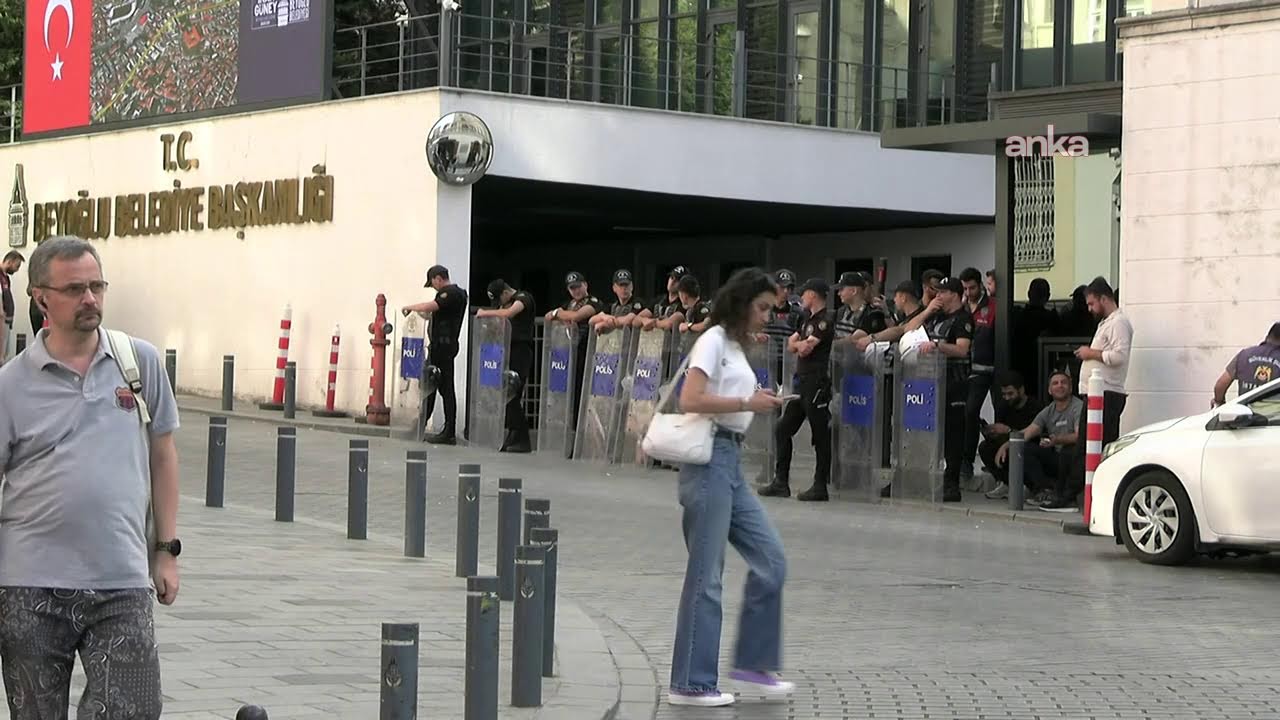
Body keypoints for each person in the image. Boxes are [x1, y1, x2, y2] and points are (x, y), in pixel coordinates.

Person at [0, 235, 181, 719]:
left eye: (97, 286)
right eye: (76, 289)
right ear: (41, 297)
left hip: (121, 579)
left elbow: (163, 456)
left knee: (135, 710)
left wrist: (165, 552)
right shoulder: (10, 385)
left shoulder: (139, 364)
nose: (90, 299)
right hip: (29, 587)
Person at [668, 266, 791, 708]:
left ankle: (754, 663)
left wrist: (759, 401)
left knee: (771, 560)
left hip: (730, 462)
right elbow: (690, 398)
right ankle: (691, 682)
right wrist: (746, 401)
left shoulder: (735, 346)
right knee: (707, 576)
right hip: (708, 461)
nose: (766, 317)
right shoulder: (713, 340)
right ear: (741, 304)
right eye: (762, 308)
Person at [1053, 276, 1132, 511]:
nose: (1089, 309)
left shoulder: (1118, 323)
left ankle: (1079, 495)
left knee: (1096, 445)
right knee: (1087, 446)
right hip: (1097, 394)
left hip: (1107, 394)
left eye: (1091, 304)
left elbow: (1119, 356)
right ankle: (1083, 496)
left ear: (1104, 298)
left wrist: (1091, 354)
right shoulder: (1107, 323)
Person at [760, 277, 836, 502]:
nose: (801, 297)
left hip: (816, 382)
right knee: (782, 429)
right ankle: (780, 481)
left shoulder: (824, 321)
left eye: (804, 293)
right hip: (801, 383)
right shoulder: (805, 319)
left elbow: (804, 348)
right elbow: (792, 344)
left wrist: (799, 345)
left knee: (820, 434)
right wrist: (798, 345)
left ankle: (820, 485)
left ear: (813, 295)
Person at [900, 276, 973, 501]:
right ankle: (913, 478)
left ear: (954, 294)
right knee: (920, 432)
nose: (938, 296)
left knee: (952, 435)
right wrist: (928, 311)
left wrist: (937, 346)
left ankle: (951, 485)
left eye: (942, 292)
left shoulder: (963, 319)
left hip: (954, 383)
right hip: (929, 382)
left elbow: (962, 350)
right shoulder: (936, 317)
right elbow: (909, 330)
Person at [402, 265, 469, 445]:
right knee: (430, 387)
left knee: (445, 389)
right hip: (442, 346)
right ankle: (421, 426)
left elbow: (431, 306)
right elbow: (434, 313)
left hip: (443, 348)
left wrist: (410, 307)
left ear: (438, 278)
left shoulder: (451, 293)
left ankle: (448, 431)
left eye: (433, 284)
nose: (434, 288)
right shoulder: (456, 295)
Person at [476, 279, 536, 453]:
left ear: (505, 292)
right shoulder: (506, 302)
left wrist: (484, 313)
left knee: (512, 393)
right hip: (506, 350)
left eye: (499, 299)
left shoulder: (523, 298)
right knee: (505, 394)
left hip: (521, 351)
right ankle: (514, 434)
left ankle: (523, 438)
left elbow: (509, 313)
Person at [545, 271, 604, 433]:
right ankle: (573, 430)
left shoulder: (593, 301)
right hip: (569, 355)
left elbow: (578, 316)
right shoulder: (568, 304)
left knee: (583, 394)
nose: (576, 291)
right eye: (572, 288)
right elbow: (548, 316)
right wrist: (561, 314)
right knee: (570, 394)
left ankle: (585, 431)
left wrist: (559, 313)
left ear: (585, 285)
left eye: (578, 287)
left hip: (587, 353)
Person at [977, 371, 1044, 499]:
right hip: (1007, 448)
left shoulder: (1035, 407)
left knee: (1025, 450)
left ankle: (1030, 487)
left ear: (1021, 390)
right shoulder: (1004, 406)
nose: (1007, 397)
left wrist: (1008, 431)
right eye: (1004, 394)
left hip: (1029, 448)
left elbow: (1034, 435)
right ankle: (1006, 483)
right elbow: (1001, 436)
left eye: (1010, 393)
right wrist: (992, 433)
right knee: (985, 447)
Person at [959, 267, 997, 487]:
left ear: (979, 284)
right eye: (965, 288)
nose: (969, 291)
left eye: (972, 287)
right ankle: (966, 461)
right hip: (968, 370)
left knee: (976, 410)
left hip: (989, 368)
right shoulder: (962, 307)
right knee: (968, 412)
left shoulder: (992, 306)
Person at [1212, 322, 1280, 407]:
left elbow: (1221, 385)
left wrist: (1219, 402)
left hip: (1246, 417)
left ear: (1267, 337)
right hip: (1273, 418)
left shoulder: (1244, 355)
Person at [833, 271, 888, 343]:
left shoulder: (873, 314)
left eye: (842, 289)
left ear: (854, 291)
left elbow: (853, 340)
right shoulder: (840, 311)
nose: (838, 293)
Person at [1, 250, 23, 362]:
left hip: (7, 322)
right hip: (1, 321)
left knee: (4, 354)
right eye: (17, 265)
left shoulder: (6, 278)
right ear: (9, 261)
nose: (17, 269)